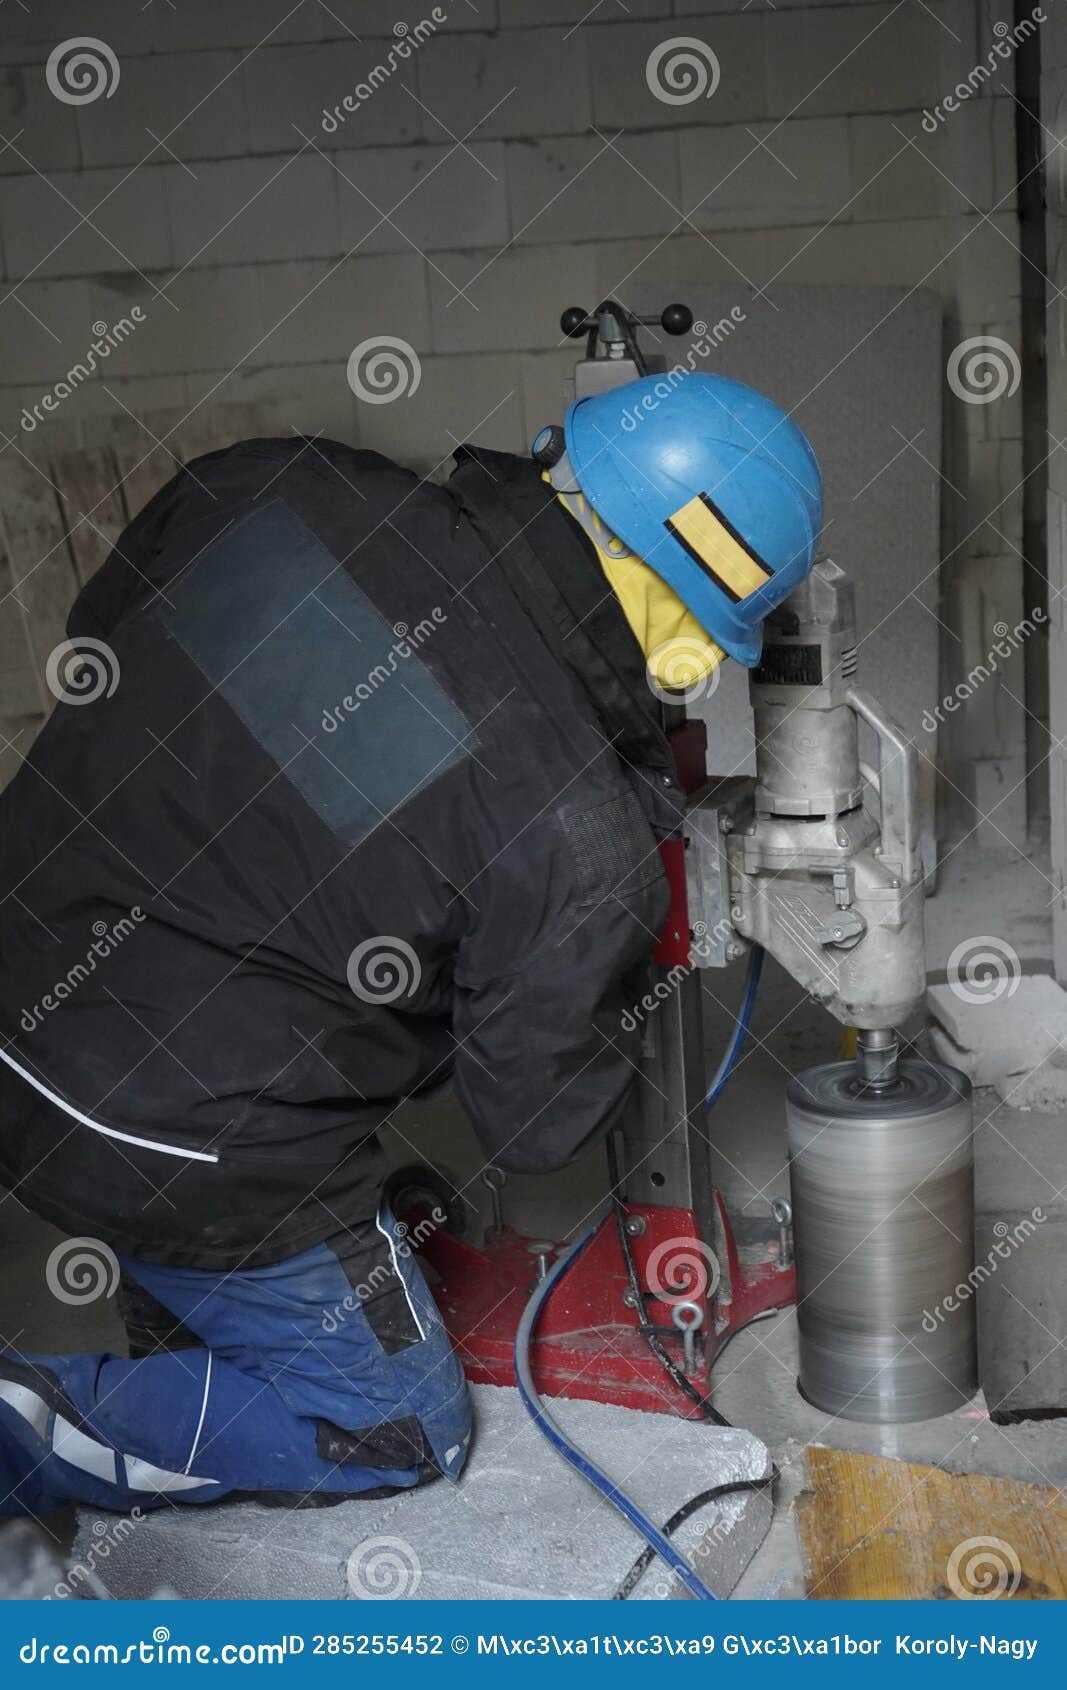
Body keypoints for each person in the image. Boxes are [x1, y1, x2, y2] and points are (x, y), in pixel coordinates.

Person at [0, 371, 821, 1515]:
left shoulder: (275, 477)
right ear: (690, 654)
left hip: (21, 990)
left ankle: (192, 1309)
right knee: (394, 1430)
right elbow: (531, 1121)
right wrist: (590, 948)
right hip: (173, 1144)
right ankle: (28, 1425)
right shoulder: (571, 834)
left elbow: (109, 647)